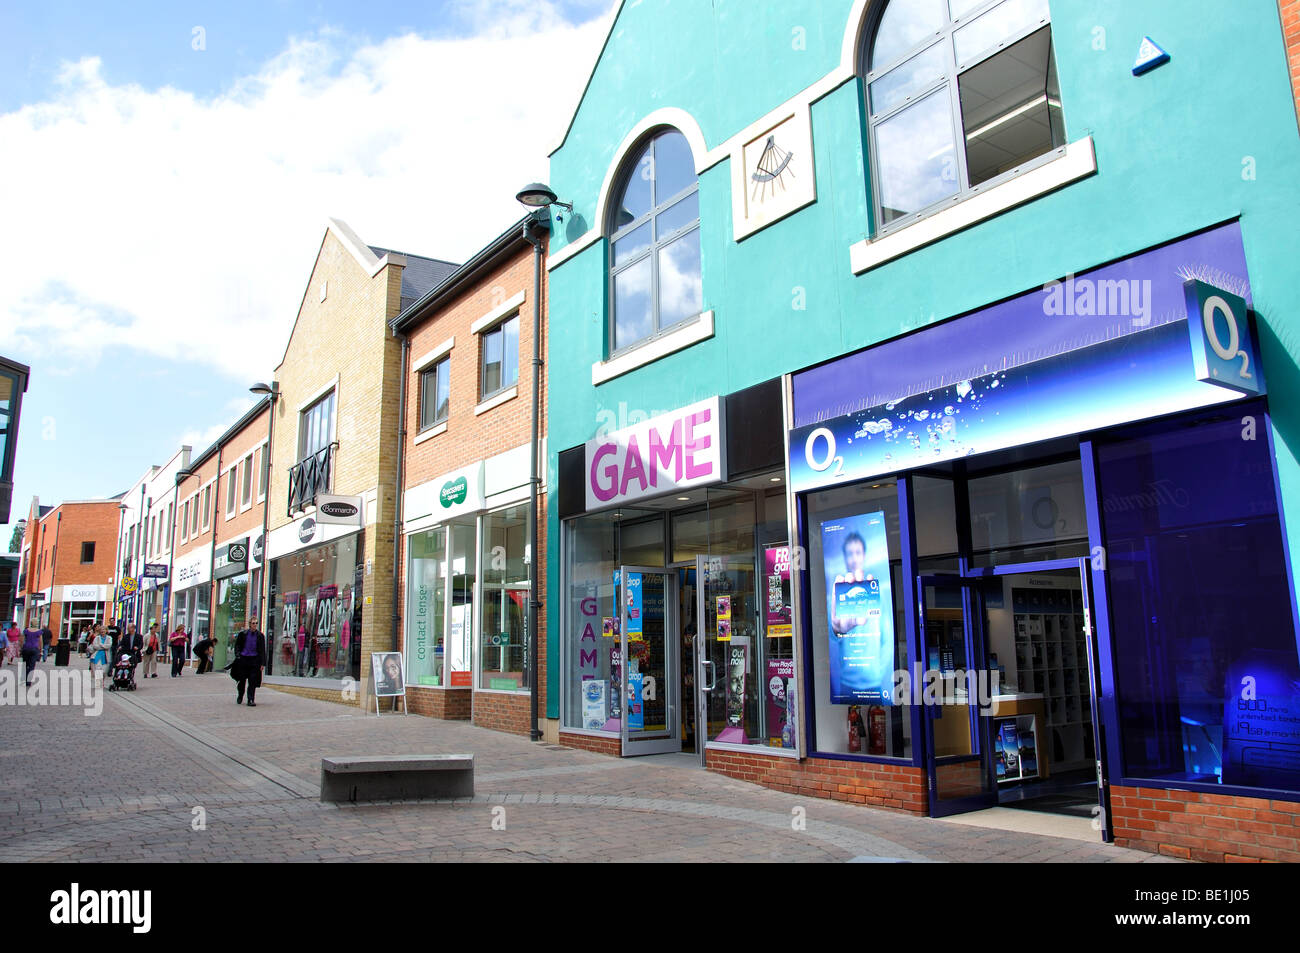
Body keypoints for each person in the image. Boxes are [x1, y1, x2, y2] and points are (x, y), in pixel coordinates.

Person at [230, 618, 266, 706]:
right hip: (244, 659)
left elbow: (262, 650)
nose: (255, 625)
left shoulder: (260, 636)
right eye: (253, 623)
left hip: (254, 660)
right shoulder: (243, 634)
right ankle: (240, 694)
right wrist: (238, 656)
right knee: (242, 680)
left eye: (256, 623)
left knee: (252, 681)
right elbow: (237, 646)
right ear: (250, 624)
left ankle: (250, 699)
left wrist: (262, 663)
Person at [21, 623, 43, 687]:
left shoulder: (26, 631)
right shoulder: (39, 631)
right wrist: (41, 650)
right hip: (34, 649)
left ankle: (25, 677)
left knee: (26, 664)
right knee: (32, 665)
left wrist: (21, 647)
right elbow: (40, 641)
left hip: (26, 648)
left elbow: (22, 640)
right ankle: (28, 681)